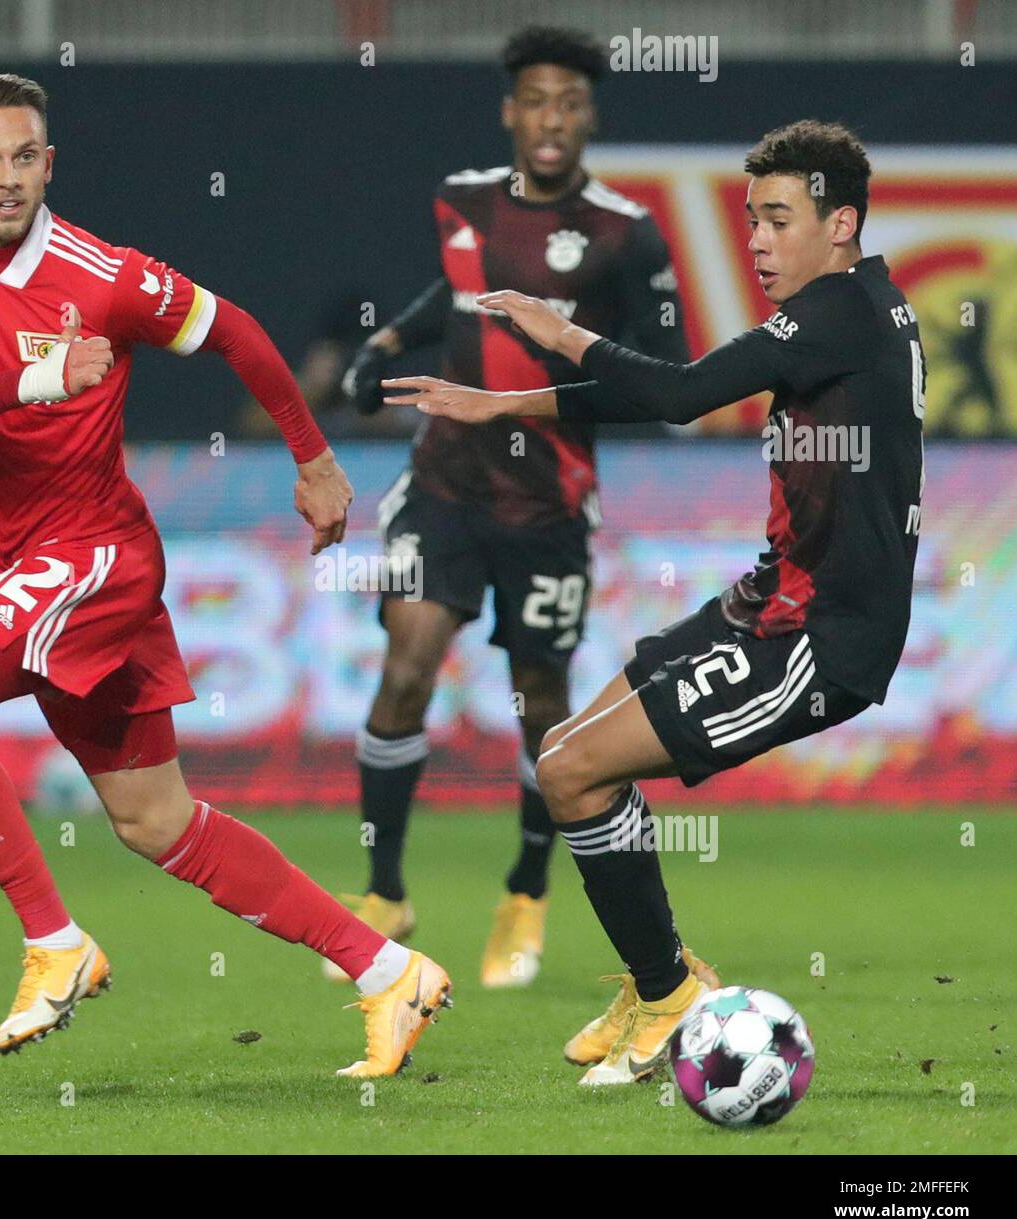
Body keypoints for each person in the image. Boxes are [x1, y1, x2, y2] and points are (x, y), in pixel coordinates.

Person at [0, 72, 451, 1078]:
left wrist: (313, 459)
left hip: (90, 557)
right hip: (48, 561)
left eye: (24, 158)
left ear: (48, 164)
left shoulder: (105, 275)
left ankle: (55, 944)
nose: (6, 179)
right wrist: (44, 377)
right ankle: (387, 972)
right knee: (156, 823)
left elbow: (233, 331)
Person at [384, 120, 924, 1085]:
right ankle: (659, 982)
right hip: (769, 600)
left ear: (840, 224)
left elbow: (680, 394)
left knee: (573, 774)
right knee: (566, 760)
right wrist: (506, 405)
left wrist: (561, 335)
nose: (757, 240)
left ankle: (671, 993)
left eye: (777, 218)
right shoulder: (865, 309)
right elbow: (662, 395)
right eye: (751, 219)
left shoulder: (839, 310)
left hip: (822, 637)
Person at [338, 26, 692, 988]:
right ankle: (384, 892)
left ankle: (527, 892)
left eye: (569, 103)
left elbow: (670, 375)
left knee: (543, 708)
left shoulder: (628, 232)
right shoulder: (464, 197)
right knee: (406, 664)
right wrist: (389, 345)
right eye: (536, 100)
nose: (551, 119)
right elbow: (454, 291)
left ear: (589, 116)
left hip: (548, 506)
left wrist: (583, 379)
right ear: (511, 110)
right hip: (444, 484)